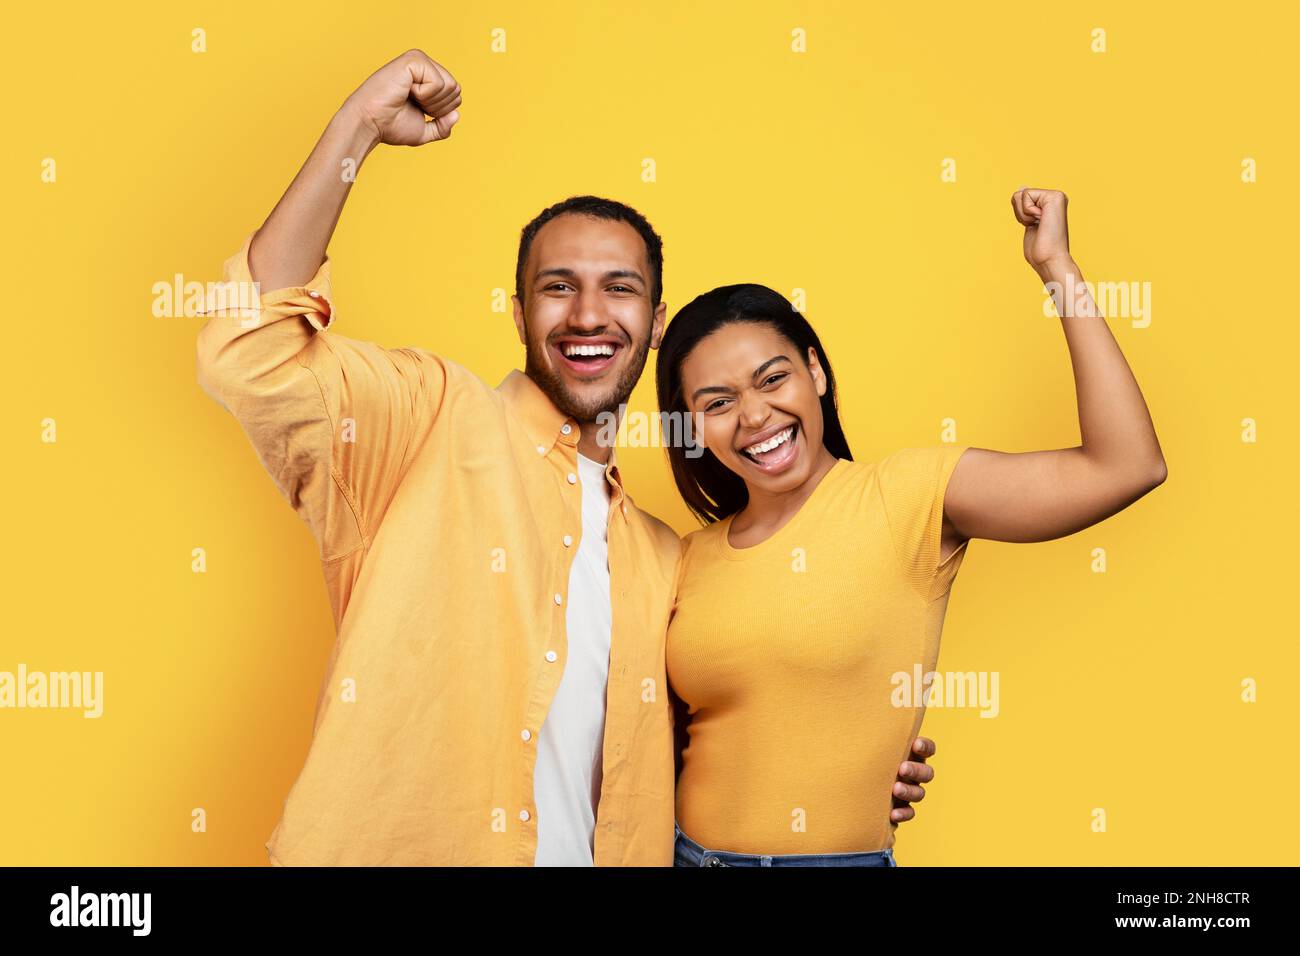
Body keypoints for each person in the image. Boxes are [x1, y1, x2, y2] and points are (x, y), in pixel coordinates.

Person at [194, 48, 934, 866]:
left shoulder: (662, 558)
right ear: (518, 312)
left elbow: (726, 720)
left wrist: (848, 757)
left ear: (655, 323)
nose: (589, 315)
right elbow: (249, 345)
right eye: (559, 286)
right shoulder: (424, 420)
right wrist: (360, 123)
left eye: (619, 289)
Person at [657, 189, 1167, 867]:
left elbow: (1126, 465)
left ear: (815, 371)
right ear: (694, 428)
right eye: (717, 402)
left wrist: (1058, 269)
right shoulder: (682, 558)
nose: (752, 417)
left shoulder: (909, 496)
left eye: (772, 378)